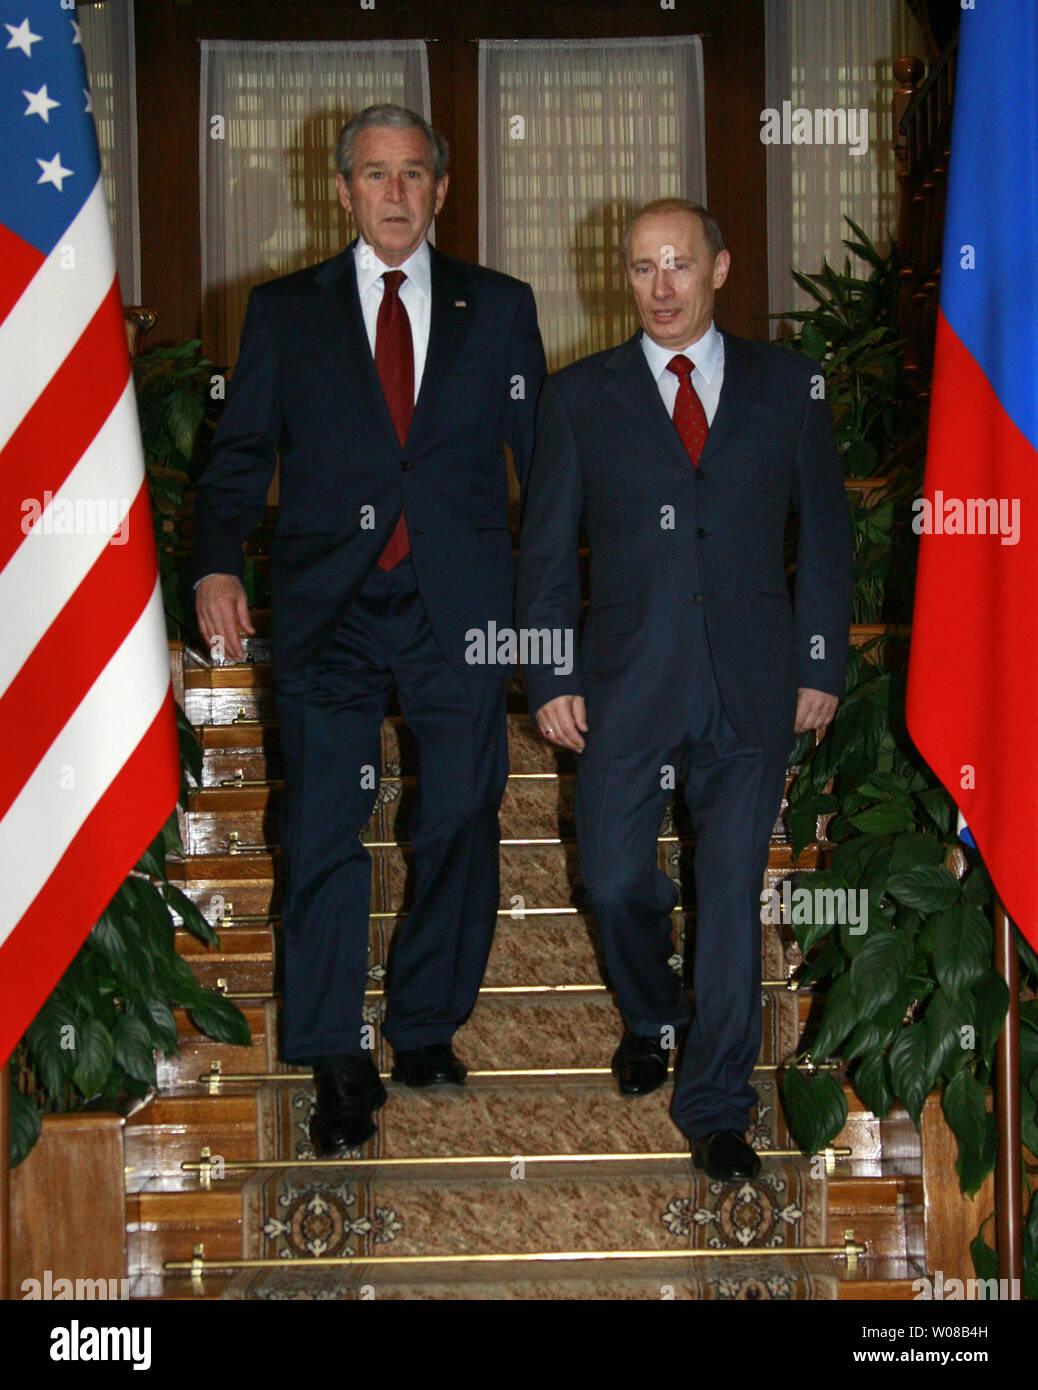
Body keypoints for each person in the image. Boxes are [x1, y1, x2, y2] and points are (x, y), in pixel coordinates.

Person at [192, 104, 546, 1156]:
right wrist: (215, 560)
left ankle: (426, 1021)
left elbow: (547, 464)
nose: (395, 193)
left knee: (457, 816)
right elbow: (238, 452)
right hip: (327, 608)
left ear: (442, 190)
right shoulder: (284, 312)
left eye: (414, 174)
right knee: (321, 833)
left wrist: (560, 609)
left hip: (463, 612)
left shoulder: (503, 308)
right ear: (341, 191)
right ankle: (336, 1054)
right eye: (375, 174)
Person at [516, 198, 852, 1181]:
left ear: (719, 267)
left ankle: (714, 1107)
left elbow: (823, 539)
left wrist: (819, 661)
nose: (659, 286)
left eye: (677, 264)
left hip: (751, 688)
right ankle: (653, 1008)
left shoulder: (791, 388)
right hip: (625, 686)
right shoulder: (578, 397)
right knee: (616, 880)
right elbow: (543, 557)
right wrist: (551, 671)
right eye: (639, 267)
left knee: (728, 892)